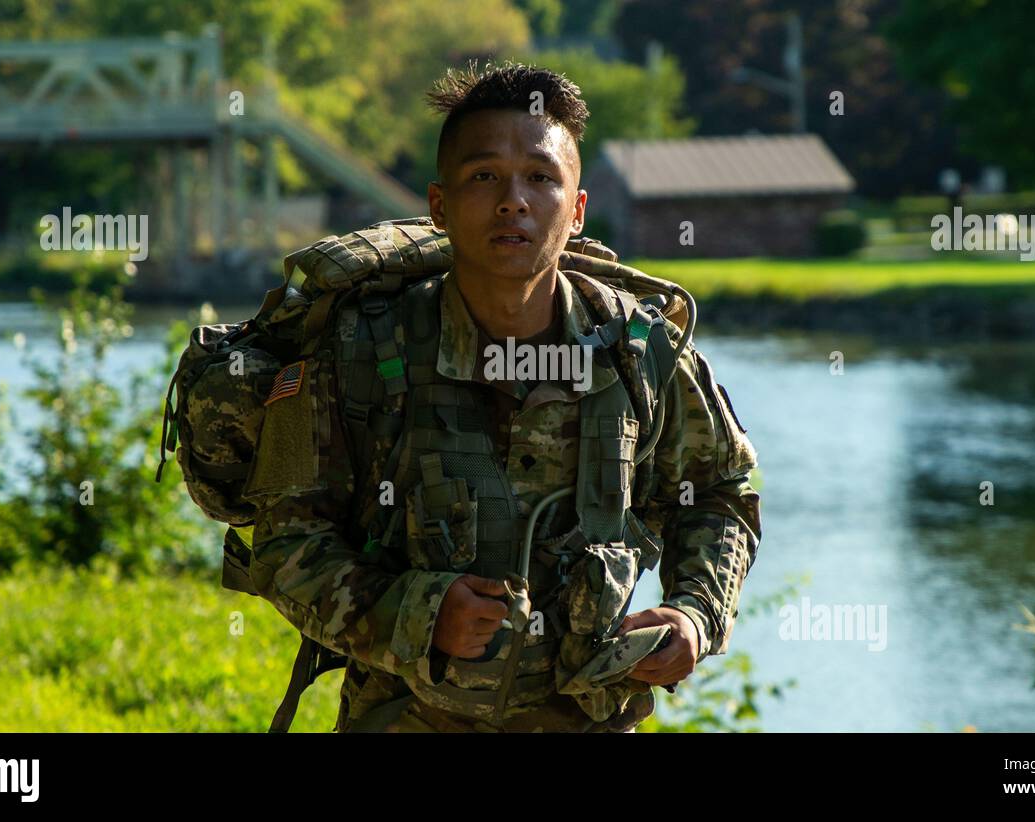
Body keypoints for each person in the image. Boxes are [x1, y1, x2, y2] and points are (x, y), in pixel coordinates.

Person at [246, 60, 762, 732]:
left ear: (576, 211)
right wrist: (414, 614)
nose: (513, 200)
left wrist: (696, 612)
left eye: (541, 178)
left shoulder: (640, 352)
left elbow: (723, 492)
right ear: (439, 206)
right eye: (483, 176)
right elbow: (285, 543)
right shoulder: (362, 352)